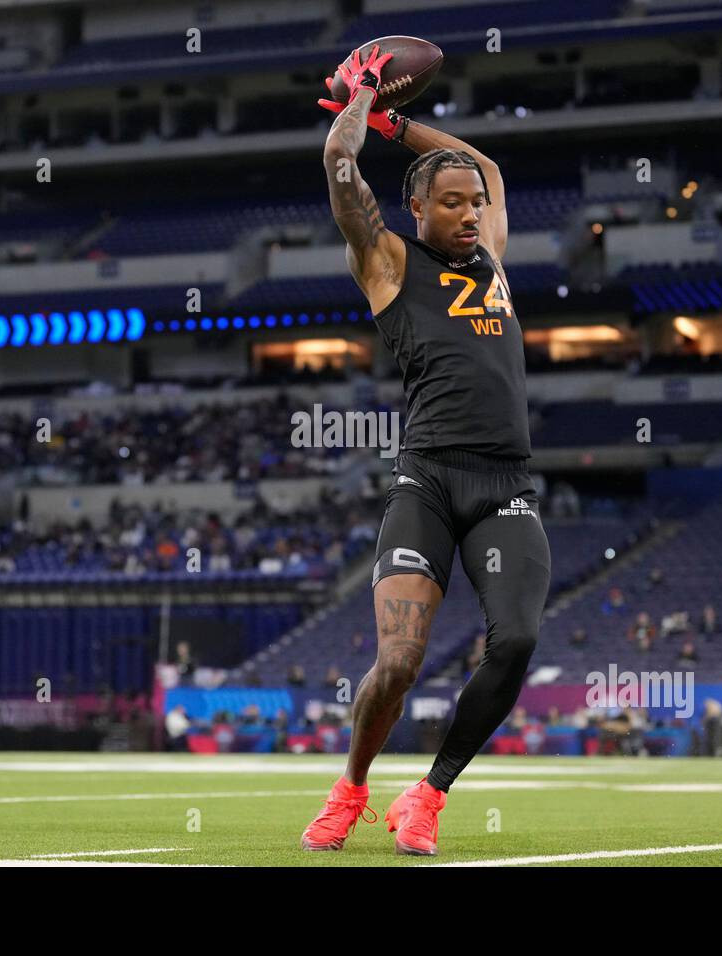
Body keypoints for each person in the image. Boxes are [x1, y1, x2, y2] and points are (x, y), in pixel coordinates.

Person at [302, 44, 550, 856]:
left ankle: (429, 793)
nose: (471, 211)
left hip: (504, 483)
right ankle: (350, 790)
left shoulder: (492, 258)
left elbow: (482, 163)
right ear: (418, 212)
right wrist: (359, 101)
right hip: (429, 481)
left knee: (514, 642)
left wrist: (393, 120)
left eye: (474, 202)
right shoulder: (387, 261)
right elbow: (341, 163)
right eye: (452, 203)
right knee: (399, 661)